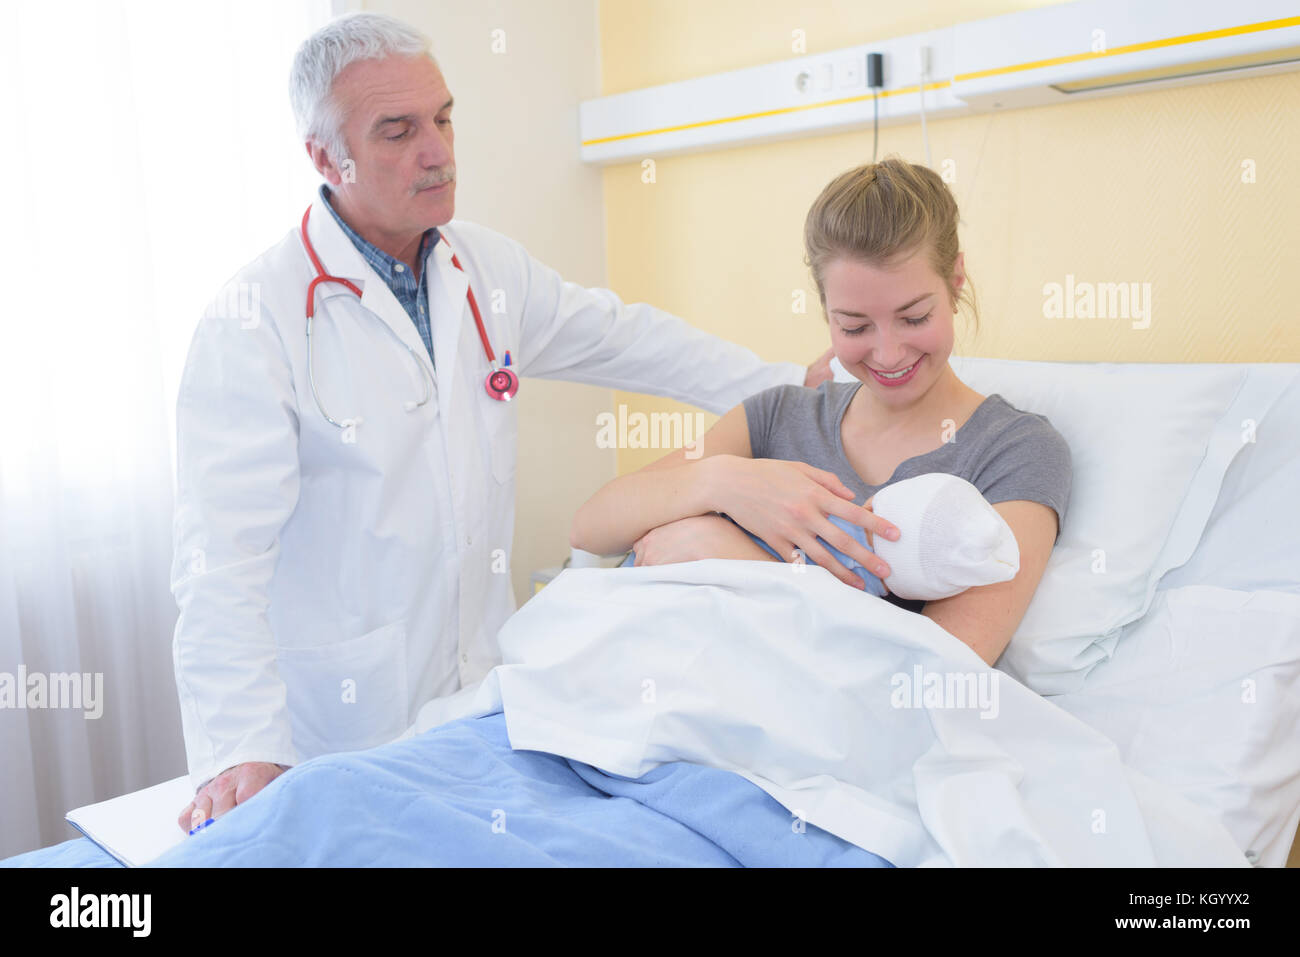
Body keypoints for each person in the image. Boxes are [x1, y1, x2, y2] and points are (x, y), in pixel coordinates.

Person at [172, 12, 832, 831]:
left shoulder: (483, 268)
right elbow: (219, 563)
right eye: (398, 131)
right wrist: (243, 749)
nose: (438, 150)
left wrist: (786, 388)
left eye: (444, 118)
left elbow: (631, 341)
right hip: (334, 727)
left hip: (481, 705)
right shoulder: (256, 321)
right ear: (323, 156)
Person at [571, 157, 1072, 668]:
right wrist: (719, 481)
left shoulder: (1015, 451)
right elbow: (590, 527)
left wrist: (744, 562)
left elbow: (941, 673)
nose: (889, 352)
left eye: (914, 317)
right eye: (854, 327)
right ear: (825, 309)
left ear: (957, 280)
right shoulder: (780, 416)